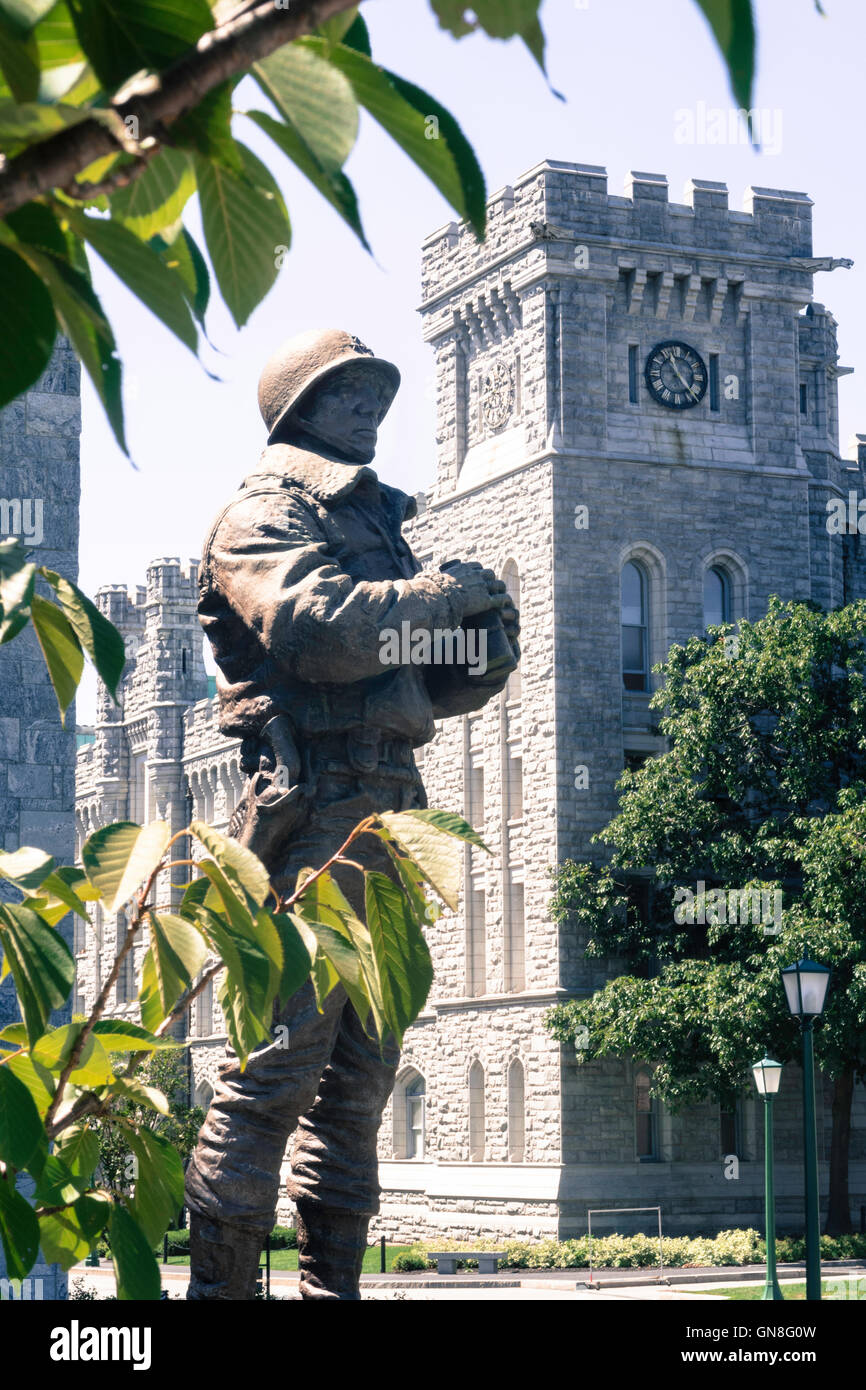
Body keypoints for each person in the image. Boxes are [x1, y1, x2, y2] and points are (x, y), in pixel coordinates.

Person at [184, 329, 520, 1299]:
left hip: (388, 808)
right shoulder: (262, 514)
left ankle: (333, 1289)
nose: (370, 408)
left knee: (360, 1084)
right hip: (312, 815)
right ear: (297, 412)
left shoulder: (375, 518)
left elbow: (427, 681)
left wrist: (480, 633)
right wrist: (429, 595)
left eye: (379, 391)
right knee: (272, 1075)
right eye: (347, 393)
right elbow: (319, 632)